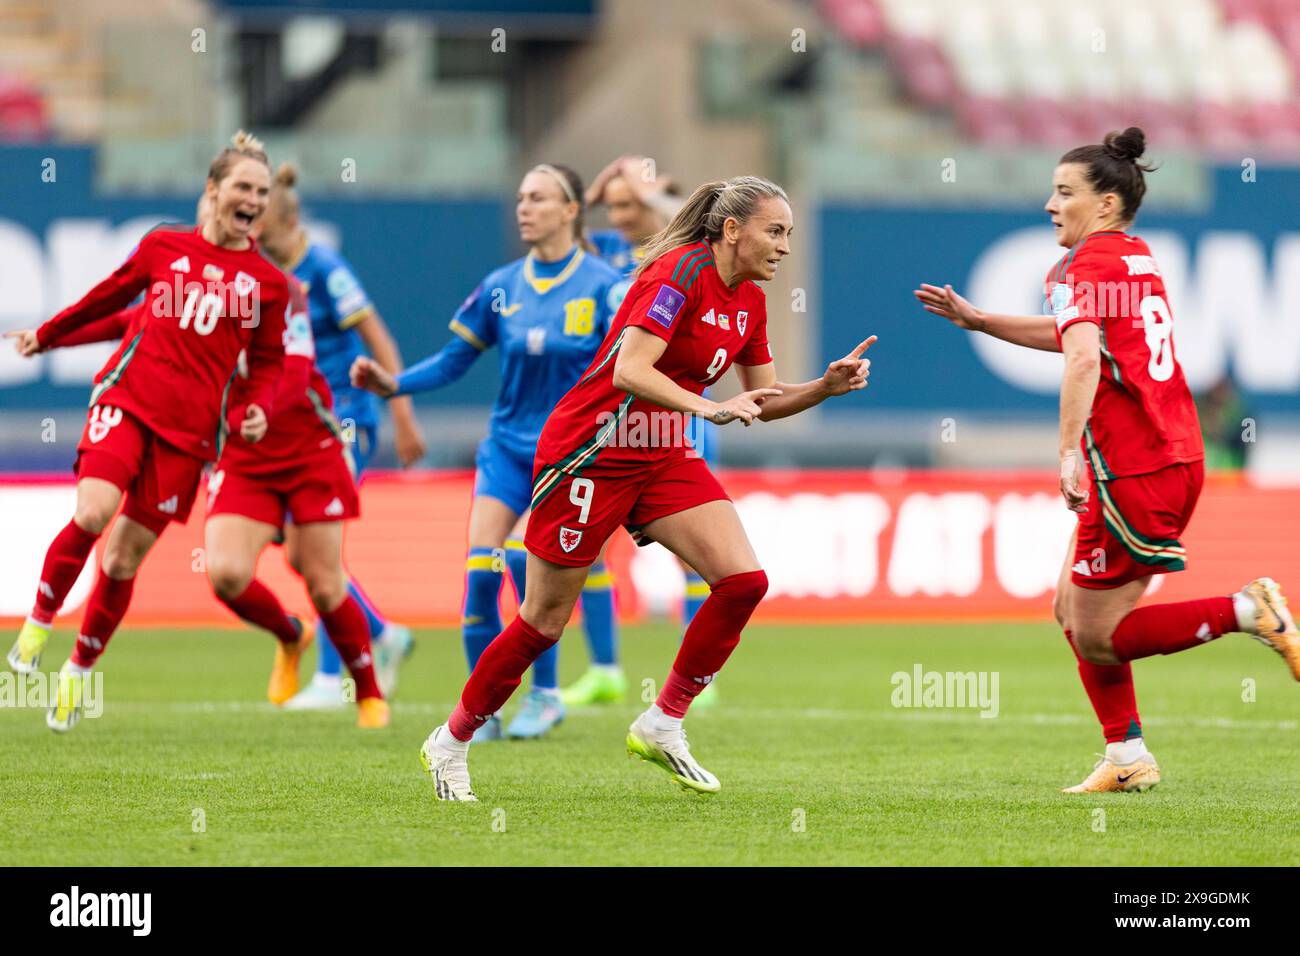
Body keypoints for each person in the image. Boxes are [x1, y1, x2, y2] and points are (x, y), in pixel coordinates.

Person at [415, 175, 876, 799]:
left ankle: (663, 721)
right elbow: (632, 370)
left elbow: (760, 401)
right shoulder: (676, 274)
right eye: (775, 231)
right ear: (732, 230)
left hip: (661, 454)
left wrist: (823, 386)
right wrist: (706, 408)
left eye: (789, 234)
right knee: (543, 621)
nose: (785, 246)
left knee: (743, 582)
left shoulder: (750, 302)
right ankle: (451, 740)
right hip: (592, 451)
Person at [914, 127, 1299, 793]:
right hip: (1171, 455)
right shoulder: (1133, 257)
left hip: (1135, 470)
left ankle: (1248, 611)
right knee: (1069, 609)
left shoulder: (1079, 268)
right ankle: (1126, 758)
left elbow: (1083, 357)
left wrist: (1066, 453)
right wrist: (983, 321)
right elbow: (1078, 335)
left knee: (1097, 636)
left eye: (1064, 191)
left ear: (1108, 203)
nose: (1049, 204)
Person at [4, 131, 291, 732]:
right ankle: (37, 623)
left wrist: (258, 406)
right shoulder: (164, 247)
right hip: (129, 400)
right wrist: (48, 334)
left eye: (262, 192)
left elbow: (267, 363)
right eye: (243, 187)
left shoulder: (266, 285)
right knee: (92, 512)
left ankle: (79, 671)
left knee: (124, 556)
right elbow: (111, 295)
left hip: (188, 436)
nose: (254, 200)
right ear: (213, 191)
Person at [353, 163, 625, 740]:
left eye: (539, 198)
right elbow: (455, 359)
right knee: (481, 575)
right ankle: (484, 711)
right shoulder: (502, 285)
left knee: (527, 563)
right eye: (521, 197)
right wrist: (392, 384)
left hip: (570, 455)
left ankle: (546, 695)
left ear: (571, 210)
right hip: (505, 450)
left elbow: (632, 364)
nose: (524, 207)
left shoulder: (604, 285)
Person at [253, 163, 424, 709]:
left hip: (346, 418)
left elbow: (379, 338)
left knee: (319, 545)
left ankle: (334, 676)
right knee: (299, 551)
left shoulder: (326, 269)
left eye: (264, 227)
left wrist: (402, 415)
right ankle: (380, 632)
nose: (255, 237)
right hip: (296, 424)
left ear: (290, 218)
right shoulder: (266, 271)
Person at [568, 154, 721, 709]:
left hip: (678, 413)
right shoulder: (607, 252)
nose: (622, 215)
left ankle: (698, 676)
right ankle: (605, 668)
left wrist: (646, 188)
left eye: (630, 205)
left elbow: (686, 216)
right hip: (611, 414)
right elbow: (566, 241)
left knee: (694, 551)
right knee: (590, 546)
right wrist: (586, 198)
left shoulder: (682, 256)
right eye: (615, 207)